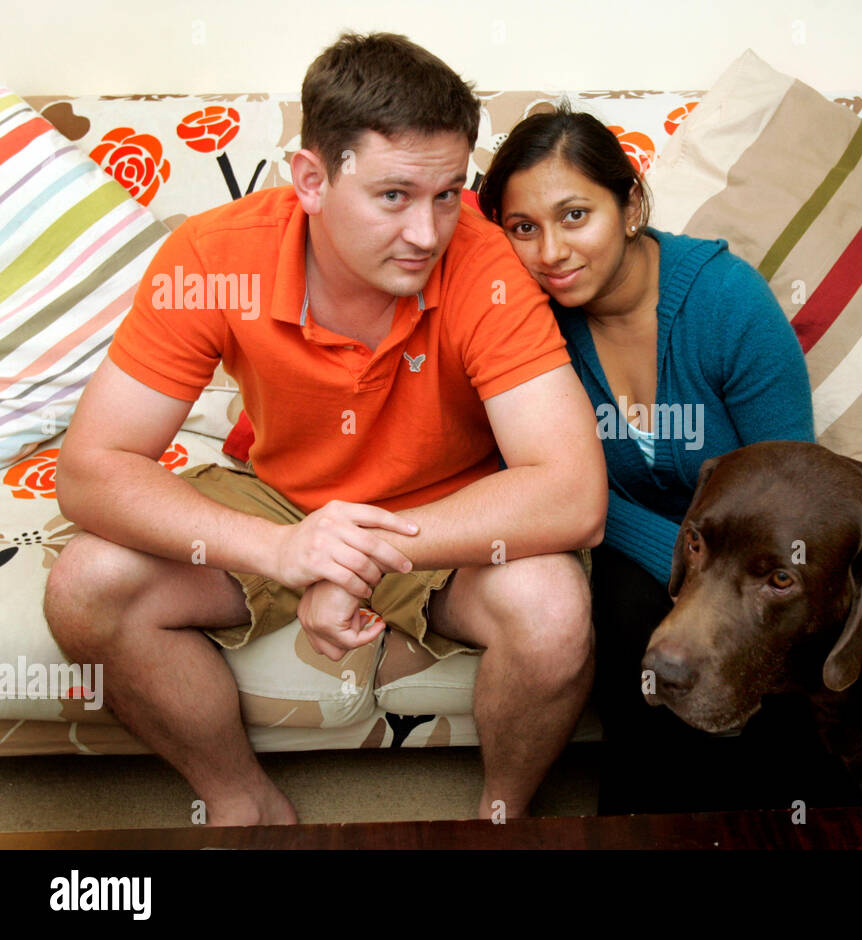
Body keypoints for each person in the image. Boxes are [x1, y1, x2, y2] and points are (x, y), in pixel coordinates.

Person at [43, 33, 607, 826]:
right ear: (311, 178)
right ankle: (245, 806)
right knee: (85, 584)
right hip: (276, 503)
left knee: (553, 606)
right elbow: (92, 467)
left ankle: (500, 821)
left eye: (449, 193)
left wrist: (353, 555)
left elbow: (573, 492)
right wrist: (284, 552)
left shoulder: (483, 264)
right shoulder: (212, 257)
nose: (428, 232)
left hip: (440, 521)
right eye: (394, 196)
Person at [478, 107, 860, 814]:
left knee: (751, 642)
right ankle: (647, 818)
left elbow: (789, 487)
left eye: (574, 215)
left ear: (632, 206)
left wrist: (707, 577)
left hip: (749, 550)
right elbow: (546, 483)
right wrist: (680, 566)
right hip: (617, 542)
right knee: (631, 616)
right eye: (523, 228)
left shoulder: (725, 303)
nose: (551, 252)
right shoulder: (529, 321)